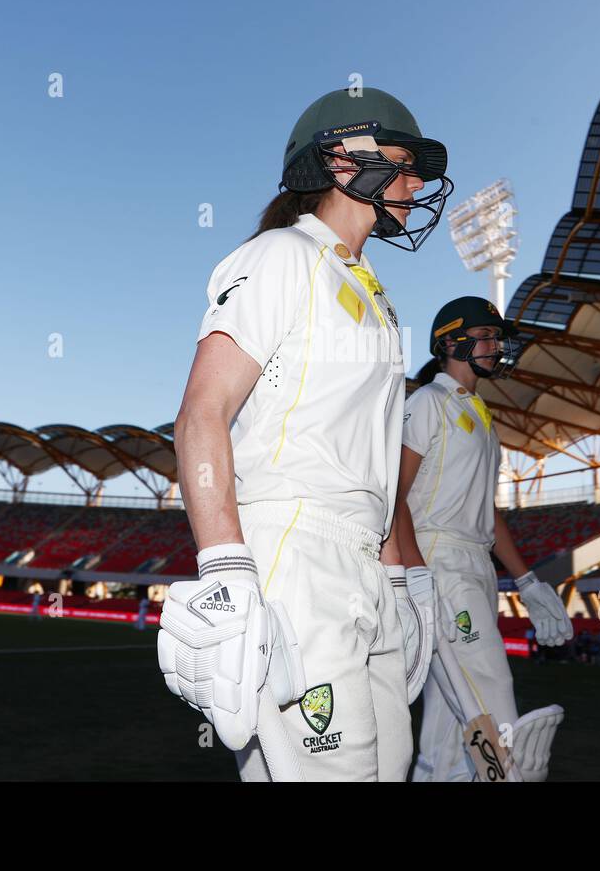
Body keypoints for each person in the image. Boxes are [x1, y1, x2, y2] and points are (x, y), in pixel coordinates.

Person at [158, 88, 453, 782]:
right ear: (345, 158)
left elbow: (377, 464)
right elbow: (201, 412)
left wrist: (400, 578)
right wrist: (225, 568)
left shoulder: (375, 294)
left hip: (361, 559)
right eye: (406, 163)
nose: (417, 184)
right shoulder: (281, 254)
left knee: (390, 767)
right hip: (295, 547)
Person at [389, 297, 572, 782]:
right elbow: (394, 496)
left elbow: (487, 513)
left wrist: (528, 582)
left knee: (447, 724)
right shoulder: (427, 403)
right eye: (486, 336)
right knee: (488, 683)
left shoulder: (482, 417)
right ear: (451, 342)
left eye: (496, 337)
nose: (495, 346)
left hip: (475, 566)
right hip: (439, 560)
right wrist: (417, 574)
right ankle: (511, 768)